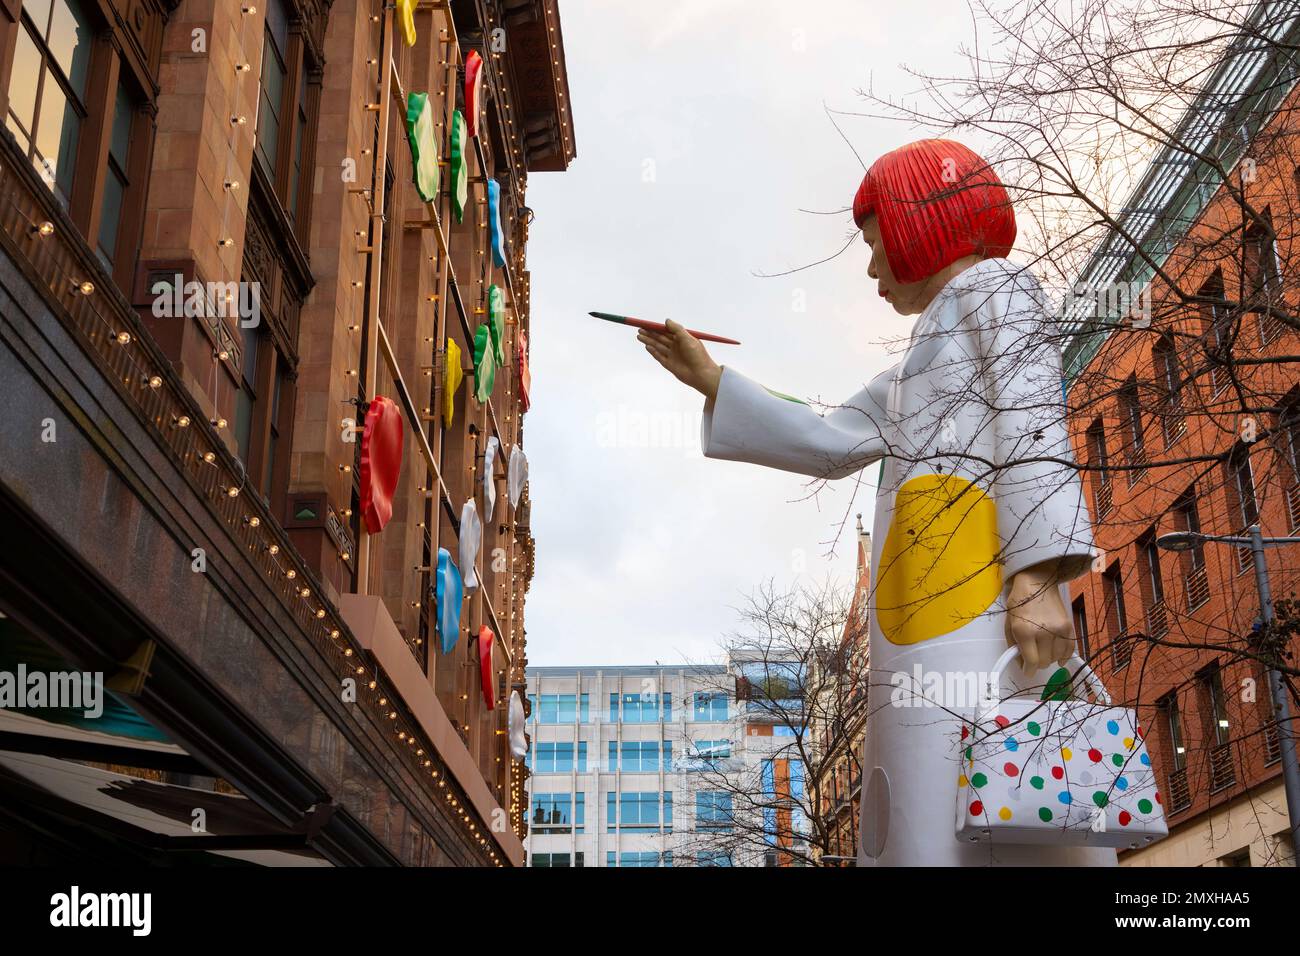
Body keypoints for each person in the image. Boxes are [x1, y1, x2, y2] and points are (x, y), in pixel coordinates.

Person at [639, 139, 1115, 865]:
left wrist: (1040, 574)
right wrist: (714, 381)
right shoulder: (907, 372)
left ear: (921, 219)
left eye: (874, 240)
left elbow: (1033, 420)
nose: (871, 268)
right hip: (926, 631)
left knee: (986, 788)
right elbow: (829, 440)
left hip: (979, 617)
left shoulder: (1000, 290)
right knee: (935, 797)